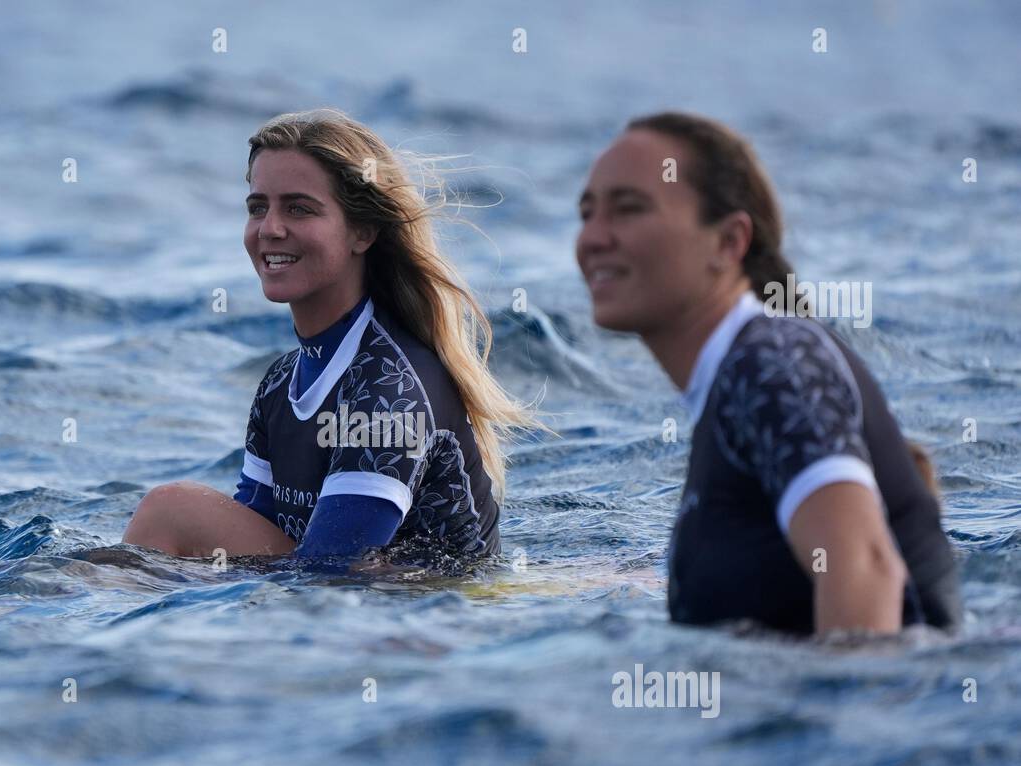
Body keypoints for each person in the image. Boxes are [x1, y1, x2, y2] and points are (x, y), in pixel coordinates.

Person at [575, 111, 961, 635]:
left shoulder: (769, 364)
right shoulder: (741, 376)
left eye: (628, 209)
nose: (593, 238)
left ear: (728, 242)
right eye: (587, 213)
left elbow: (866, 570)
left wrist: (849, 706)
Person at [123, 109, 534, 562]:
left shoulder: (388, 391)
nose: (270, 229)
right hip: (354, 606)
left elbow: (331, 576)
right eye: (258, 207)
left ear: (362, 231)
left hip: (436, 619)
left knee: (170, 512)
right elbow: (251, 550)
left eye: (299, 209)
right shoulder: (280, 384)